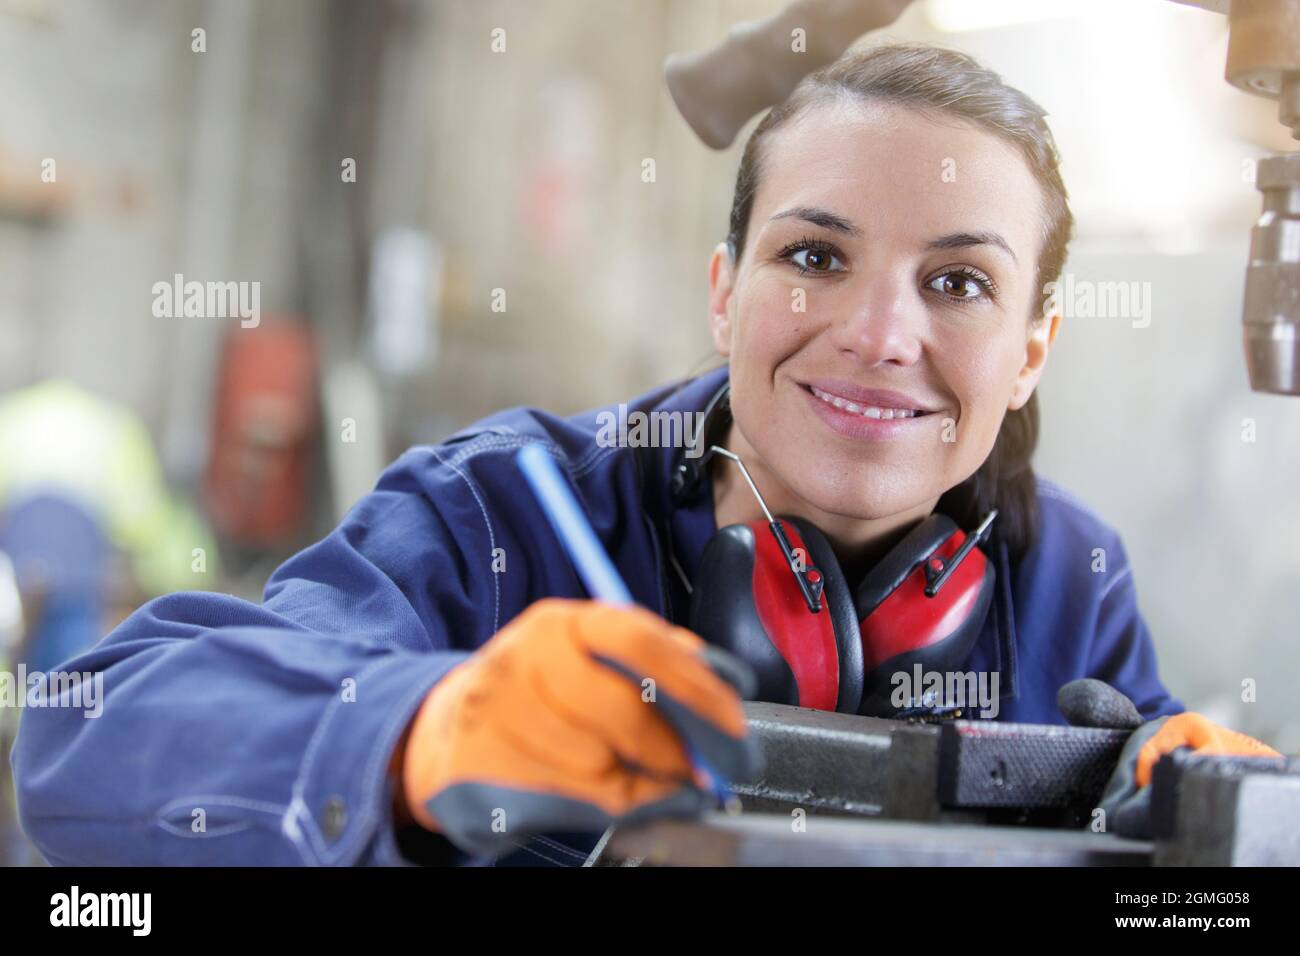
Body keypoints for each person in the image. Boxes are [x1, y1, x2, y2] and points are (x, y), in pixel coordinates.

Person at [11, 43, 1278, 867]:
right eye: (815, 257)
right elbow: (86, 739)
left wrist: (1218, 830)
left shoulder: (1067, 576)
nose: (879, 335)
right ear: (724, 293)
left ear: (1036, 346)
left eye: (956, 280)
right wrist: (419, 731)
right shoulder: (501, 513)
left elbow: (1161, 788)